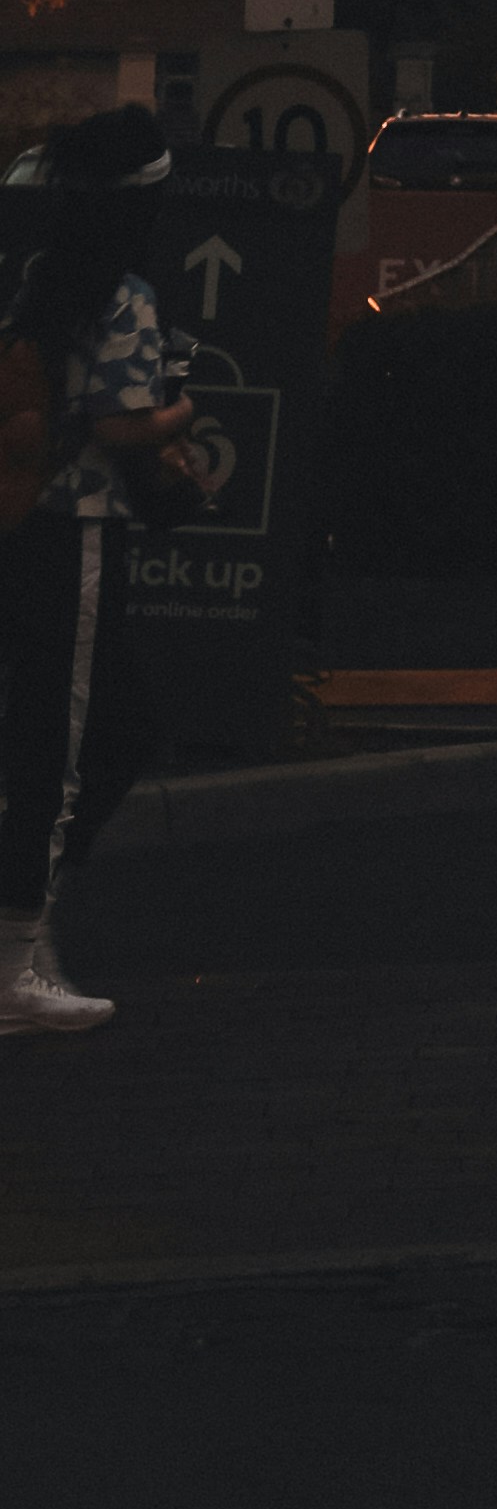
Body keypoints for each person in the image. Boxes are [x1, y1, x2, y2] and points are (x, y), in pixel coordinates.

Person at [0, 104, 211, 1036]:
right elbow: (123, 425)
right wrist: (179, 419)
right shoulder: (122, 293)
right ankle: (15, 961)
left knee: (82, 726)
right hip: (82, 526)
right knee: (76, 739)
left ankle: (26, 932)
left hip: (25, 519)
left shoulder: (38, 276)